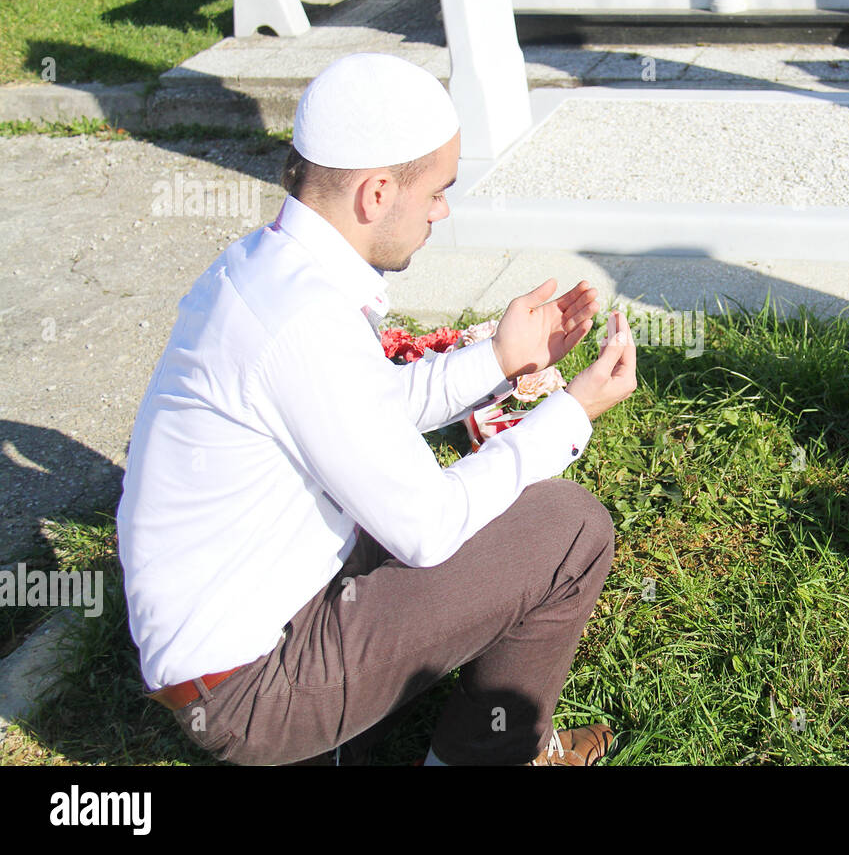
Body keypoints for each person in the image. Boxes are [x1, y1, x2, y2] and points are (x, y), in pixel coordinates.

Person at [116, 52, 638, 766]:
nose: (443, 211)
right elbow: (427, 528)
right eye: (437, 192)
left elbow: (368, 408)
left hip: (241, 632)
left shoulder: (268, 269)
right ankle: (480, 755)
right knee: (568, 529)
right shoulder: (302, 320)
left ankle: (347, 737)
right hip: (246, 694)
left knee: (481, 516)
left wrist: (500, 359)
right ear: (377, 192)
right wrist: (572, 413)